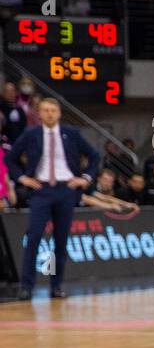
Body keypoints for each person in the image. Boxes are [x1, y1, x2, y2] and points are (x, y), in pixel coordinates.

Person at [4, 97, 101, 300]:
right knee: (34, 237)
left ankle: (56, 286)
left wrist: (85, 178)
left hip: (66, 190)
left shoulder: (71, 134)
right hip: (41, 190)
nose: (49, 114)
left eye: (53, 110)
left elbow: (94, 156)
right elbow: (10, 158)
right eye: (45, 110)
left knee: (61, 241)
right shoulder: (32, 134)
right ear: (39, 113)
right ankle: (27, 287)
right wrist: (23, 178)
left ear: (59, 113)